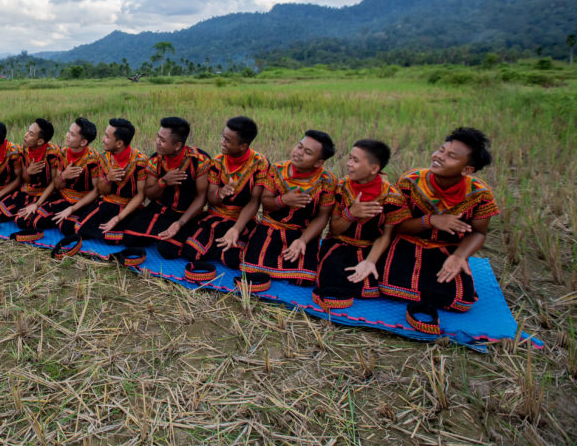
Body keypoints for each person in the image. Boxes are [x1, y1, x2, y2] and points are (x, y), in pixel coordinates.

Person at [379, 127, 499, 313]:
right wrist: (431, 221)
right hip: (407, 243)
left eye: (451, 156)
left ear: (467, 169)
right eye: (441, 150)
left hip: (448, 250)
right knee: (388, 286)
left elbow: (478, 232)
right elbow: (394, 226)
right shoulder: (410, 181)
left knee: (462, 301)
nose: (439, 156)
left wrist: (459, 256)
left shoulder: (480, 193)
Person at [313, 139, 409, 309]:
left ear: (374, 169)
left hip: (371, 248)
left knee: (370, 284)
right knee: (330, 278)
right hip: (340, 244)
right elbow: (334, 230)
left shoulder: (392, 196)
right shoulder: (341, 187)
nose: (349, 164)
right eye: (350, 158)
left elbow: (387, 235)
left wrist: (370, 261)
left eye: (355, 161)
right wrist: (351, 214)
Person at [170, 116, 268, 268]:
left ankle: (223, 245)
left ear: (243, 146)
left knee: (232, 260)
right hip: (215, 216)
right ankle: (216, 246)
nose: (222, 142)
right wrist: (219, 194)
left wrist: (236, 229)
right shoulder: (217, 162)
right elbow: (211, 198)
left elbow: (254, 201)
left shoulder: (260, 163)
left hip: (241, 219)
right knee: (191, 253)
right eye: (223, 137)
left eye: (228, 140)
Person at [242, 130, 337, 284]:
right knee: (253, 272)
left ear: (318, 162)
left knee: (303, 280)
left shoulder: (327, 181)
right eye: (299, 146)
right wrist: (283, 200)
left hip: (302, 233)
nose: (298, 153)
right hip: (270, 229)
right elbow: (265, 201)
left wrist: (303, 241)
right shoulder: (277, 169)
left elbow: (323, 216)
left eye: (307, 152)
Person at [120, 117, 210, 247]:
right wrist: (163, 182)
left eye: (162, 140)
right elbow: (150, 195)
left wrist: (180, 223)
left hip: (187, 214)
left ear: (178, 145)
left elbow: (202, 197)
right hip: (159, 210)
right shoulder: (155, 160)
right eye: (158, 137)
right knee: (129, 239)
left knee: (168, 249)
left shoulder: (200, 160)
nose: (157, 142)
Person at [54, 118, 148, 242]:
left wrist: (118, 218)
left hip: (130, 207)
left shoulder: (140, 160)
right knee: (78, 228)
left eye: (107, 137)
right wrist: (108, 179)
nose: (103, 139)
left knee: (124, 239)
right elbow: (101, 191)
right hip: (107, 203)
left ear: (119, 143)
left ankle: (124, 230)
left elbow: (141, 195)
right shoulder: (104, 157)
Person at [17, 117, 102, 233]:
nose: (67, 135)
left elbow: (96, 191)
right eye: (68, 131)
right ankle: (62, 218)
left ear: (83, 142)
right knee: (30, 221)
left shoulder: (93, 159)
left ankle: (74, 219)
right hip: (63, 197)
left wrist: (72, 208)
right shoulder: (63, 153)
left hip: (83, 202)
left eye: (72, 134)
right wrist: (63, 176)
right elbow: (56, 184)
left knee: (66, 228)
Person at [0, 118, 62, 224]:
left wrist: (37, 204)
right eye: (27, 131)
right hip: (27, 191)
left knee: (23, 222)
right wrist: (28, 172)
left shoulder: (53, 154)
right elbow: (24, 178)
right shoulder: (24, 150)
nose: (25, 135)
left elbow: (54, 183)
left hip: (46, 195)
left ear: (40, 141)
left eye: (31, 134)